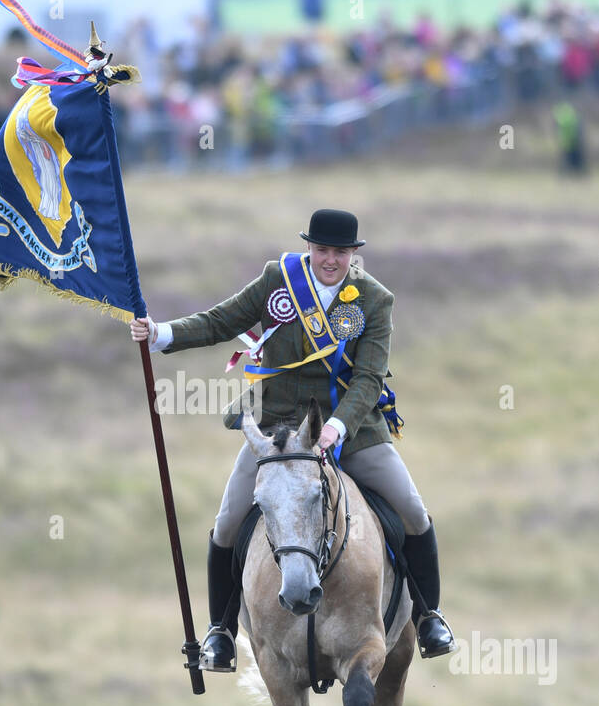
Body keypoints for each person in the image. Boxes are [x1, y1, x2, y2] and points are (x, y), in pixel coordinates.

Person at [129, 209, 456, 672]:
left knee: (413, 510)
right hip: (277, 429)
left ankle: (429, 617)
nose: (329, 260)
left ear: (352, 255)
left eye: (339, 252)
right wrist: (161, 334)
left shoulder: (373, 300)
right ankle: (220, 631)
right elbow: (222, 321)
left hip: (353, 429)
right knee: (227, 522)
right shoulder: (276, 280)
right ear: (309, 248)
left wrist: (336, 427)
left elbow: (368, 378)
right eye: (322, 250)